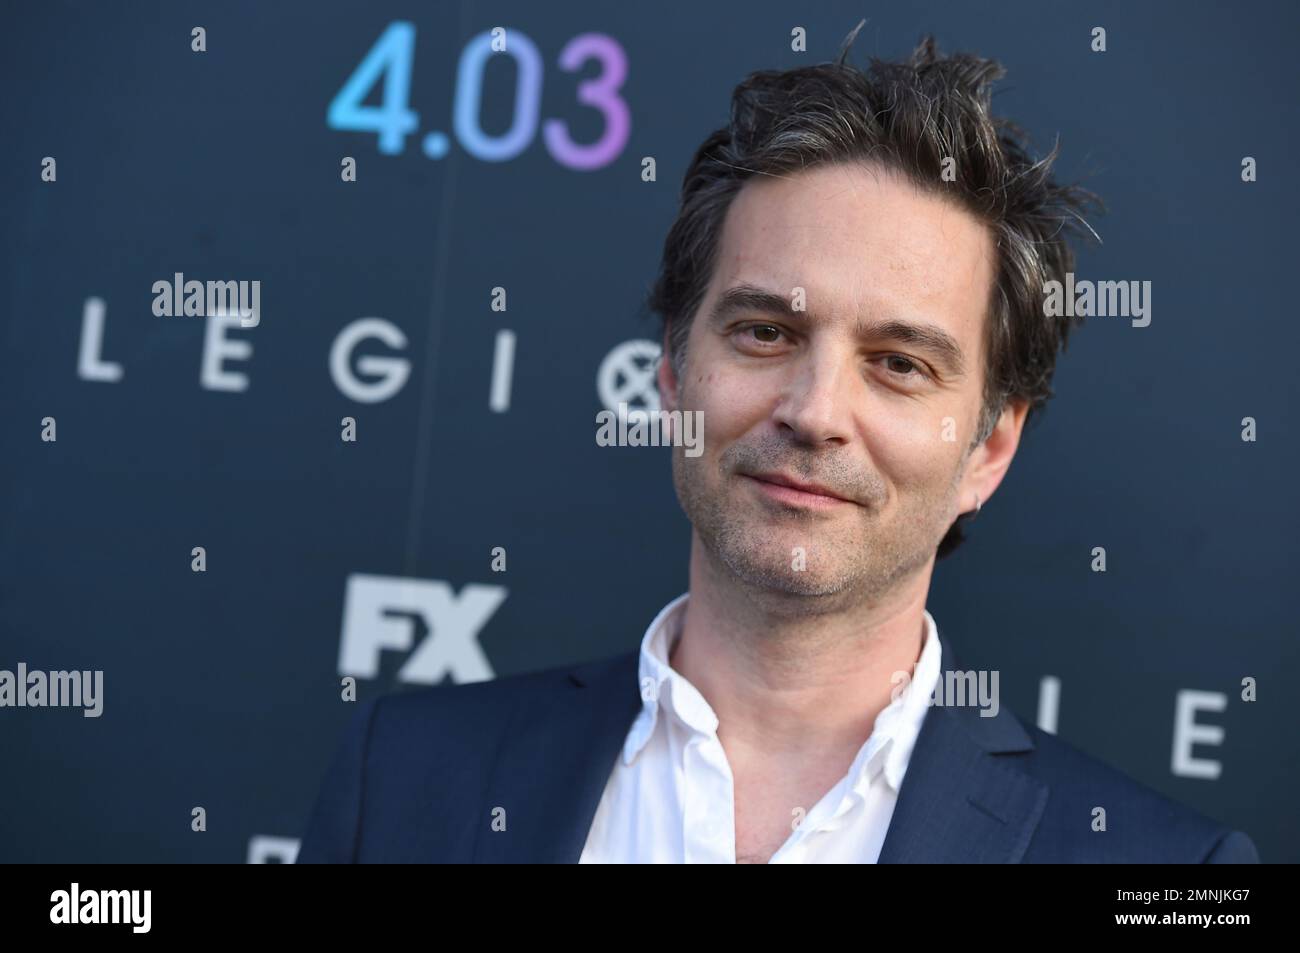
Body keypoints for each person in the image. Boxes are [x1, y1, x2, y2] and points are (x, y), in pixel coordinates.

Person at [298, 25, 1259, 864]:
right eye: (766, 333)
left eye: (898, 363)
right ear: (673, 372)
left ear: (989, 451)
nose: (815, 409)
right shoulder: (407, 777)